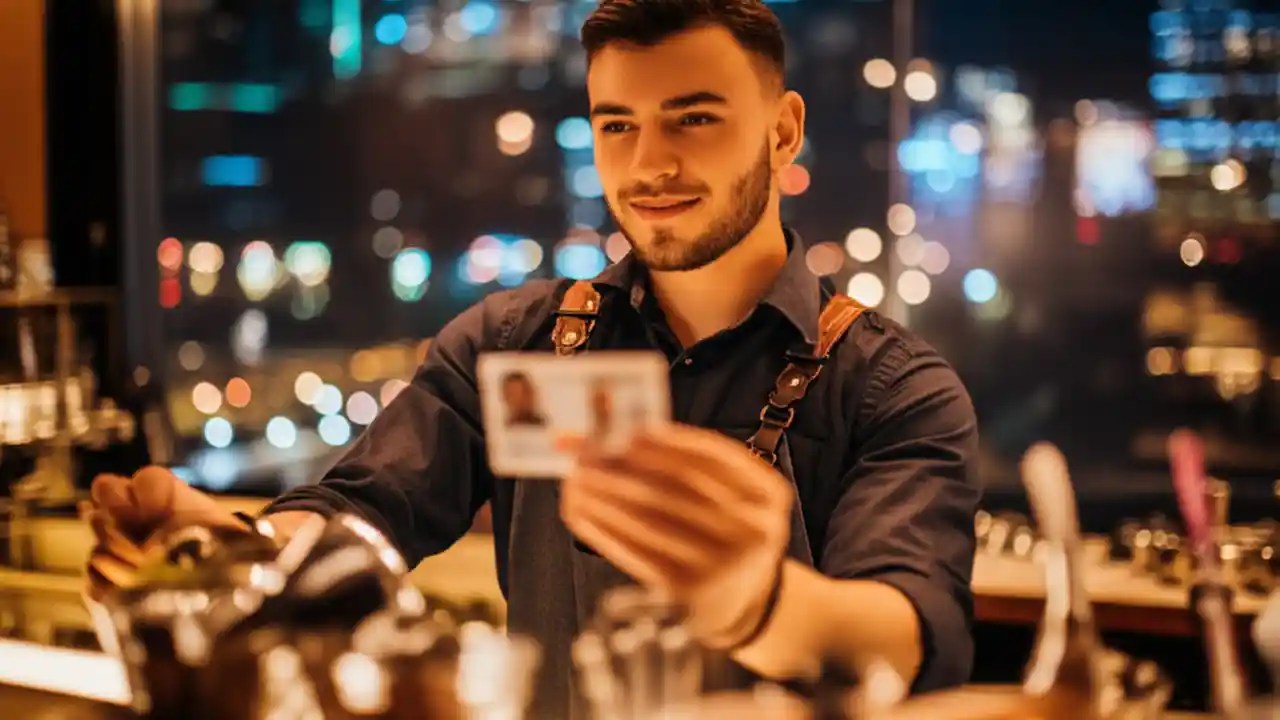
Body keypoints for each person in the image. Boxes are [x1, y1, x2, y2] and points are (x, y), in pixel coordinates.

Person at [85, 1, 981, 718]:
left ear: (783, 133)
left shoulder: (893, 388)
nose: (649, 163)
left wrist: (757, 603)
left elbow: (907, 636)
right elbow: (363, 515)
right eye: (617, 125)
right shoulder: (514, 341)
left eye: (694, 119)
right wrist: (227, 552)